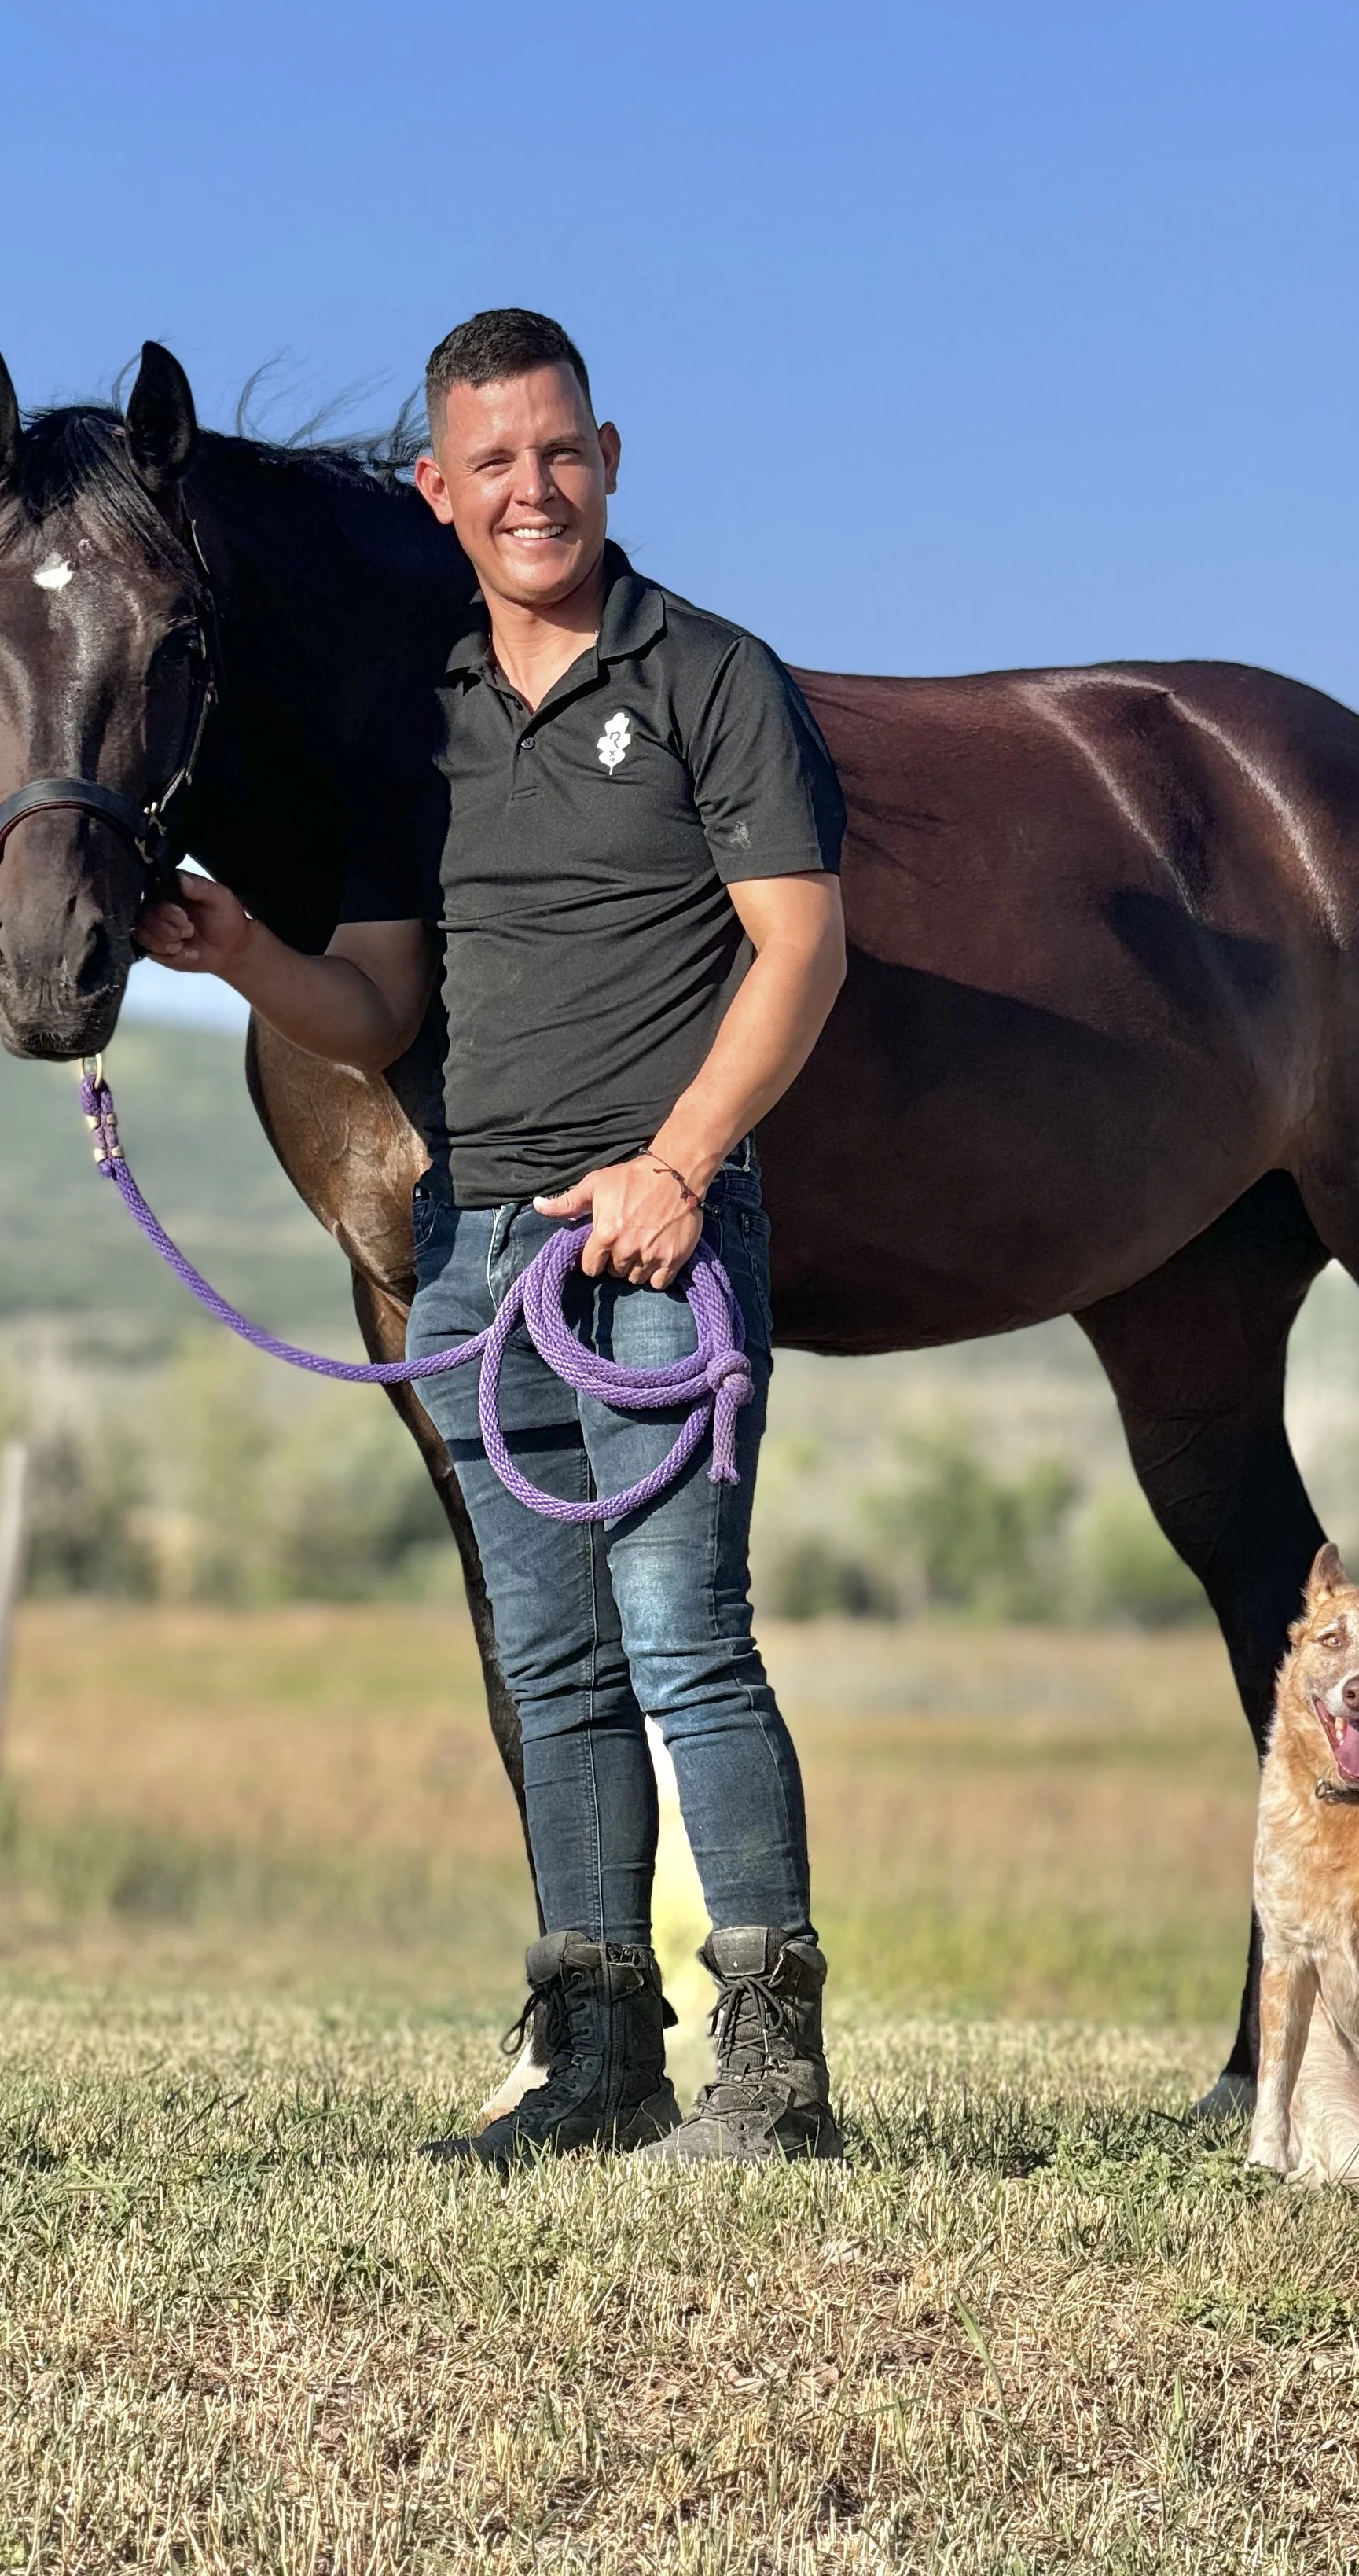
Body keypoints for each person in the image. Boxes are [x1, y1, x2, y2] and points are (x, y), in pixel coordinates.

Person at [137, 308, 849, 2163]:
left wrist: (683, 1166)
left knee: (686, 1640)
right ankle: (600, 2059)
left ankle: (772, 2079)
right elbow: (376, 1008)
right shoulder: (420, 728)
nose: (532, 490)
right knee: (550, 1665)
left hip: (662, 1243)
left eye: (561, 453)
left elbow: (800, 948)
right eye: (494, 463)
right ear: (439, 492)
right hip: (476, 1254)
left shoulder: (711, 677)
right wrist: (244, 960)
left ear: (605, 460)